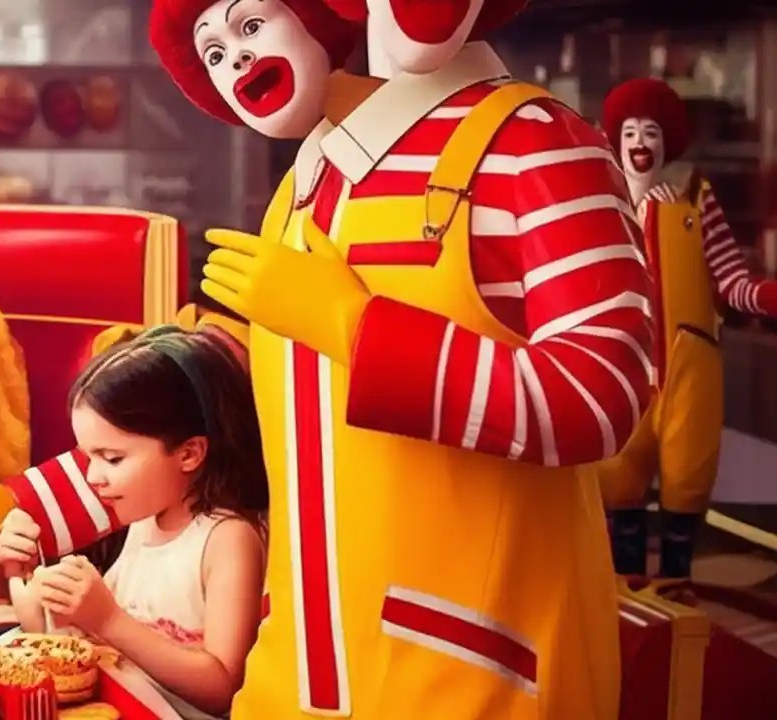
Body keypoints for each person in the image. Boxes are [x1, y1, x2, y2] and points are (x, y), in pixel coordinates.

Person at [154, 0, 654, 717]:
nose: (234, 58)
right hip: (292, 669)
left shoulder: (533, 143)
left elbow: (601, 399)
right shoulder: (303, 185)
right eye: (211, 49)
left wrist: (354, 328)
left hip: (475, 679)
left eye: (250, 24)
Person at [0, 326, 268, 718]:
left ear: (189, 453)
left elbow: (222, 688)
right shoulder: (143, 522)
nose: (93, 477)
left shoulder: (227, 539)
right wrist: (20, 575)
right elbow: (65, 640)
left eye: (112, 458)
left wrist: (108, 619)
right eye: (90, 458)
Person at [596, 78, 777, 578]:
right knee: (617, 486)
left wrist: (767, 296)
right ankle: (625, 589)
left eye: (650, 131)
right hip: (620, 371)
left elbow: (731, 282)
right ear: (615, 138)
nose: (639, 142)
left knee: (687, 480)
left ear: (666, 140)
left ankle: (677, 584)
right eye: (630, 130)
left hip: (688, 372)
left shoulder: (695, 198)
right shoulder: (597, 204)